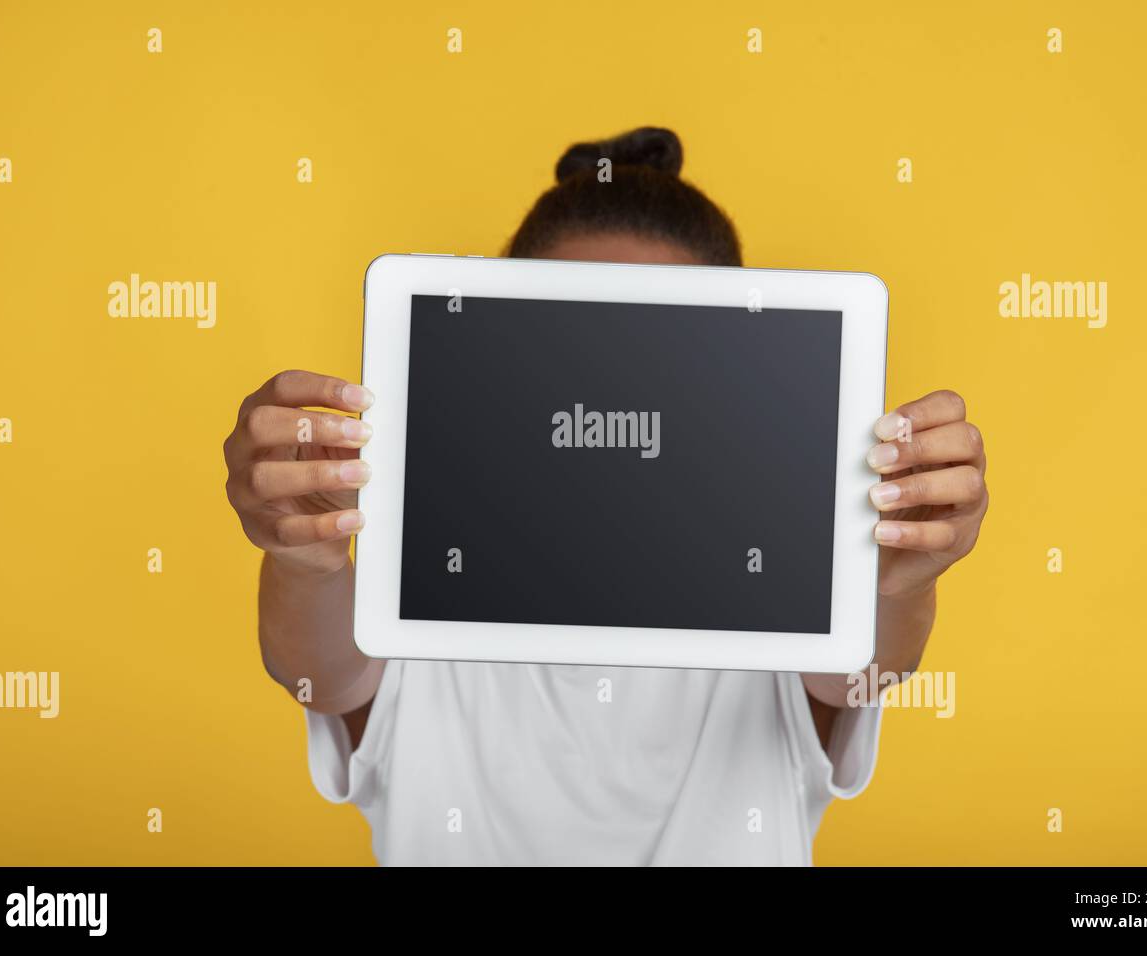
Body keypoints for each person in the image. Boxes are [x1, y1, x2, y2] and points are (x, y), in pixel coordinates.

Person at [222, 127, 988, 865]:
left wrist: (896, 585)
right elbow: (322, 674)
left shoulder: (780, 602)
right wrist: (304, 561)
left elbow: (862, 671)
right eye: (576, 354)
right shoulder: (425, 592)